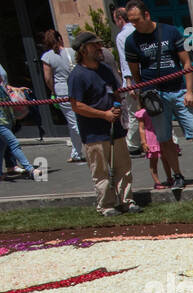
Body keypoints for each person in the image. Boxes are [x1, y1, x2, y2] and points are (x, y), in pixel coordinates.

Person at [124, 1, 193, 188]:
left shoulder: (170, 31)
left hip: (178, 91)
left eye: (137, 20)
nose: (134, 24)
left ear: (147, 15)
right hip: (155, 95)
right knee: (164, 138)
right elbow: (135, 72)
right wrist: (143, 93)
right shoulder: (131, 41)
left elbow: (186, 63)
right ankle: (178, 176)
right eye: (131, 21)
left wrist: (189, 91)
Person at [68, 31, 135, 216]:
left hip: (115, 128)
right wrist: (103, 114)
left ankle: (126, 200)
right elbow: (77, 105)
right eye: (94, 45)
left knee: (123, 167)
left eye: (99, 44)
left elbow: (115, 91)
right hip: (94, 133)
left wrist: (116, 106)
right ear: (83, 50)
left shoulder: (105, 69)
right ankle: (106, 205)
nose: (99, 48)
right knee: (101, 171)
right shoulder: (77, 75)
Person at [40, 30, 86, 163]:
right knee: (74, 122)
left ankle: (90, 145)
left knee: (74, 123)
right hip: (78, 88)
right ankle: (76, 152)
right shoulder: (72, 51)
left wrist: (53, 91)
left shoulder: (47, 57)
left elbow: (48, 78)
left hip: (62, 91)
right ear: (60, 38)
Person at [0, 69, 35, 182]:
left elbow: (5, 86)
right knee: (13, 143)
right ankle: (30, 169)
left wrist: (17, 89)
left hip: (7, 118)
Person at [112, 4, 143, 154]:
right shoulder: (139, 29)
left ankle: (132, 144)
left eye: (115, 20)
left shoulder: (122, 36)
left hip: (133, 80)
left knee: (133, 113)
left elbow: (125, 61)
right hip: (146, 76)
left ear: (119, 19)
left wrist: (129, 82)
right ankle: (171, 140)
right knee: (155, 109)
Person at [135, 104, 173, 188]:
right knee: (153, 161)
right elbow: (141, 128)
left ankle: (170, 177)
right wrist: (143, 142)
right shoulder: (142, 112)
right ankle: (157, 181)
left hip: (161, 136)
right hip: (151, 140)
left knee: (166, 159)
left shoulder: (160, 109)